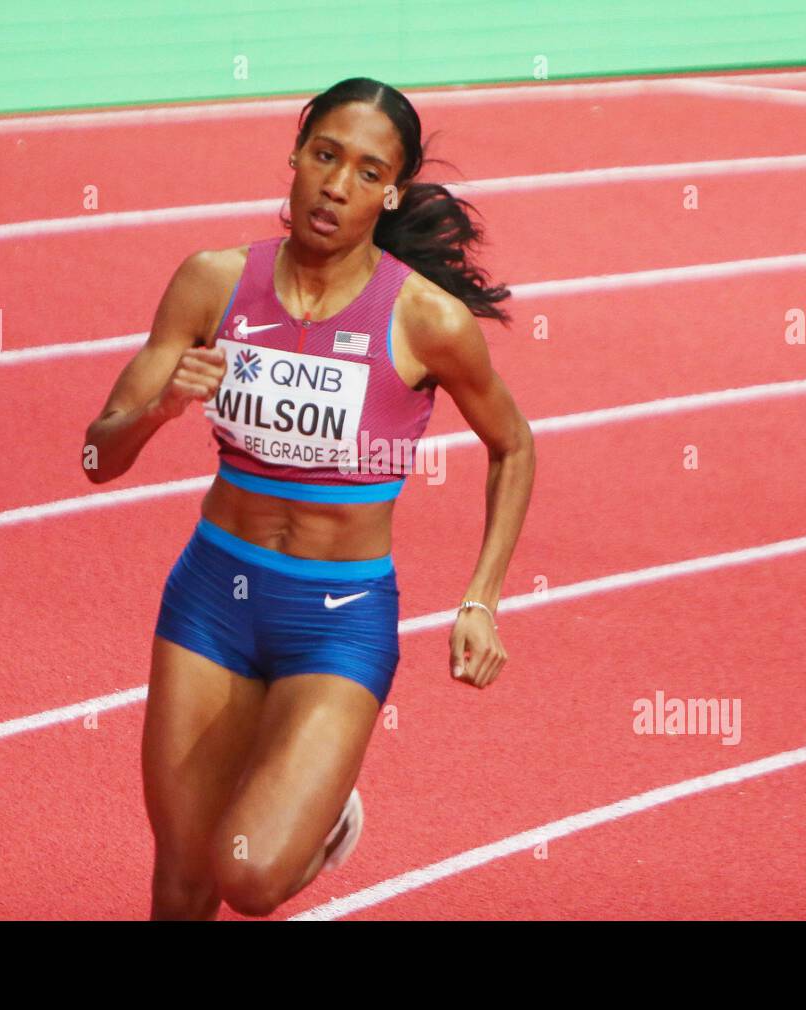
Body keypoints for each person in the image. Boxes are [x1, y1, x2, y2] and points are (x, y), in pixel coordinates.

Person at [82, 77, 535, 920]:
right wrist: (160, 408)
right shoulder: (212, 282)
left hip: (339, 613)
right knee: (181, 882)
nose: (337, 185)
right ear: (294, 157)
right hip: (213, 599)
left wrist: (482, 597)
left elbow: (513, 444)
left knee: (247, 877)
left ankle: (326, 823)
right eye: (325, 156)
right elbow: (94, 458)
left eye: (368, 172)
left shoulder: (427, 319)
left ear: (391, 191)